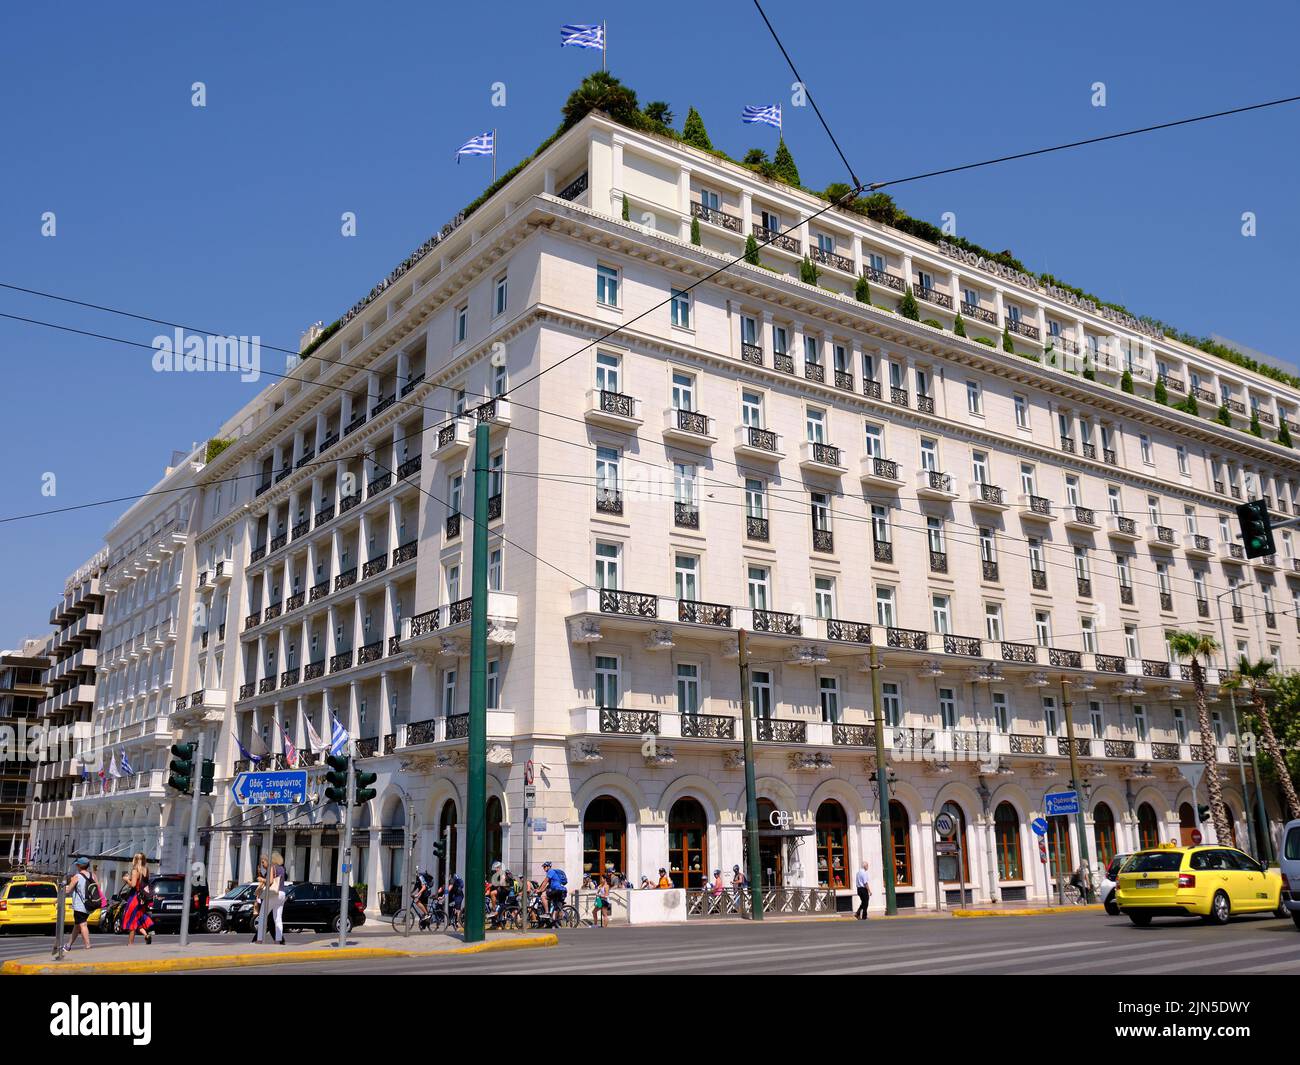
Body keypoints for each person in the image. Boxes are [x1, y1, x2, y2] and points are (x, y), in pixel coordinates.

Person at [62, 856, 100, 953]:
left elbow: (68, 890)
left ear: (79, 866)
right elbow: (98, 888)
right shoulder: (93, 875)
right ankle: (68, 945)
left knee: (82, 924)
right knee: (77, 925)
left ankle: (88, 945)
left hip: (80, 906)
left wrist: (63, 887)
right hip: (90, 905)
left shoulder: (77, 877)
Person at [121, 852, 154, 946]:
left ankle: (131, 943)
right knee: (137, 918)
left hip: (135, 897)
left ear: (135, 860)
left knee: (132, 920)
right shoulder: (146, 869)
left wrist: (127, 879)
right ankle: (146, 935)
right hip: (142, 899)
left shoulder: (135, 870)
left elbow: (134, 885)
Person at [263, 851, 287, 944]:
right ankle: (278, 940)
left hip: (274, 893)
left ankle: (259, 939)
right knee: (278, 918)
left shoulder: (272, 867)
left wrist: (262, 879)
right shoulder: (282, 868)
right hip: (282, 893)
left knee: (262, 915)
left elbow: (270, 881)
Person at [250, 856, 269, 942]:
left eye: (263, 862)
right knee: (266, 920)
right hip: (263, 898)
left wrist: (262, 879)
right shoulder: (266, 872)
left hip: (267, 898)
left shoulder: (270, 871)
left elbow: (270, 882)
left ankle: (257, 939)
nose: (262, 864)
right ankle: (257, 939)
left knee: (266, 920)